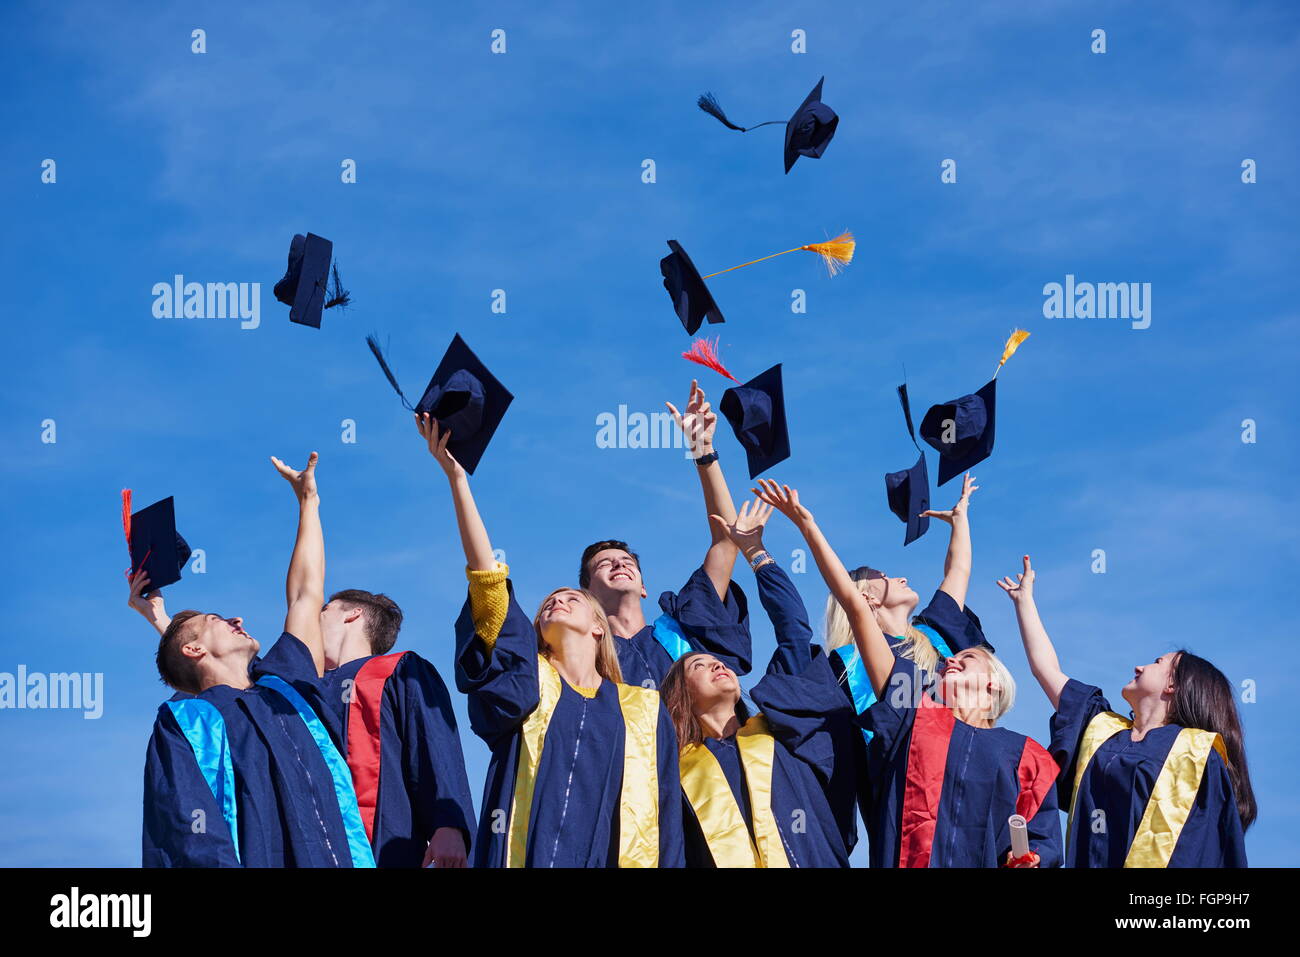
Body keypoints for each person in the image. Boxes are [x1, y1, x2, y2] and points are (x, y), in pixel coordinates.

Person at [421, 414, 684, 867]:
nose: (555, 602)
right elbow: (488, 581)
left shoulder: (642, 709)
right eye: (548, 603)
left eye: (570, 598)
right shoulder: (527, 682)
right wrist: (458, 481)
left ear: (599, 626)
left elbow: (666, 818)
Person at [756, 479, 1061, 868]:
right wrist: (805, 528)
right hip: (900, 763)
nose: (952, 661)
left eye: (967, 659)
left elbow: (958, 573)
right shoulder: (862, 671)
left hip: (956, 759)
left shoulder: (934, 639)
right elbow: (844, 605)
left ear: (992, 681)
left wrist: (961, 520)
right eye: (884, 576)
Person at [133, 452, 374, 867]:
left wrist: (309, 503)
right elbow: (190, 838)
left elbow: (305, 593)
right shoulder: (185, 725)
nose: (237, 618)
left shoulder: (285, 685)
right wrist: (162, 622)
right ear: (194, 650)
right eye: (217, 619)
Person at [997, 555, 1253, 867]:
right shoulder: (1101, 729)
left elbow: (1209, 852)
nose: (1139, 666)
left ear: (1173, 685)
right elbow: (1046, 670)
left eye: (1157, 662)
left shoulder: (1197, 755)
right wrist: (1025, 603)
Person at [660, 499, 858, 867]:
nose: (718, 664)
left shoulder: (781, 728)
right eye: (699, 665)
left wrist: (756, 553)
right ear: (679, 695)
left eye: (718, 660)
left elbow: (794, 634)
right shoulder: (674, 772)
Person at [579, 381, 753, 689]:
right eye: (604, 564)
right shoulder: (583, 655)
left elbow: (727, 539)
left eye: (626, 561)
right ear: (587, 594)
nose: (619, 565)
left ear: (644, 587)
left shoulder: (681, 633)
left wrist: (703, 451)